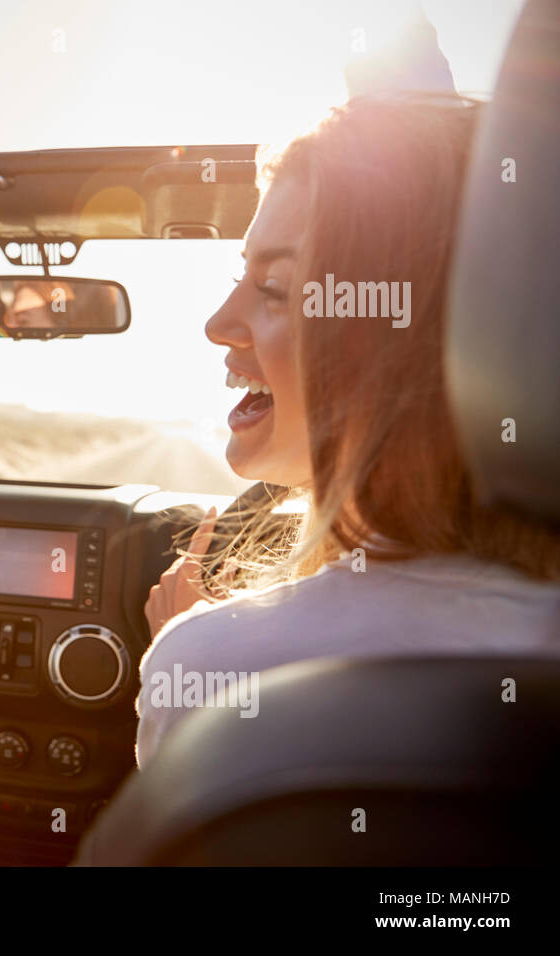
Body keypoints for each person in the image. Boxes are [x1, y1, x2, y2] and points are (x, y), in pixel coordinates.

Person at [130, 93, 560, 768]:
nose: (218, 321)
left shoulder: (209, 672)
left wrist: (185, 649)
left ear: (403, 338)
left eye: (274, 287)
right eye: (240, 275)